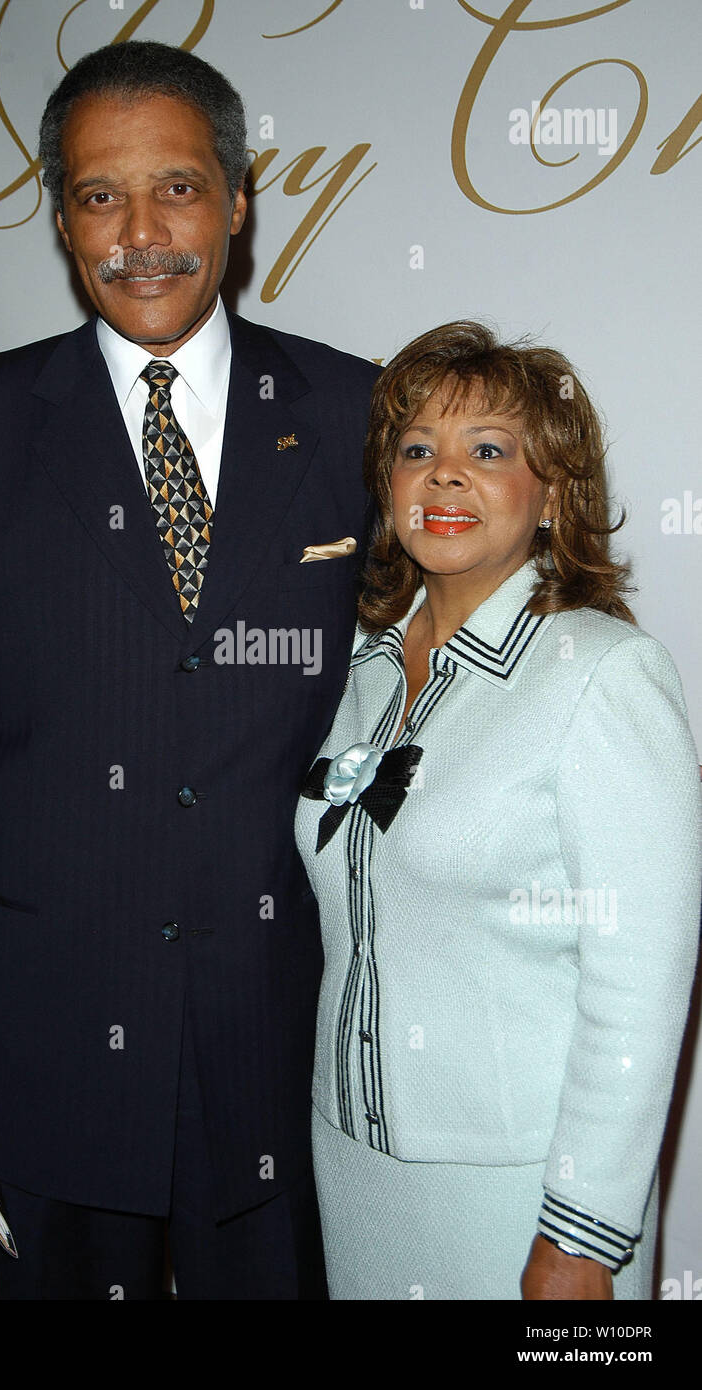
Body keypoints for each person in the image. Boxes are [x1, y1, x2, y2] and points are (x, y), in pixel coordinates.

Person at [0, 39, 379, 1300]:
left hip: (281, 1016)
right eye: (101, 195)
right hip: (48, 1019)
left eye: (178, 188)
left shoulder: (360, 415)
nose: (140, 232)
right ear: (59, 216)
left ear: (239, 201)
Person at [295, 321, 701, 1300]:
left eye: (486, 451)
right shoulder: (361, 676)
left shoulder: (603, 676)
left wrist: (582, 1234)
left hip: (521, 1194)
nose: (442, 478)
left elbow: (640, 989)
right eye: (415, 450)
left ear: (553, 492)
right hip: (354, 1161)